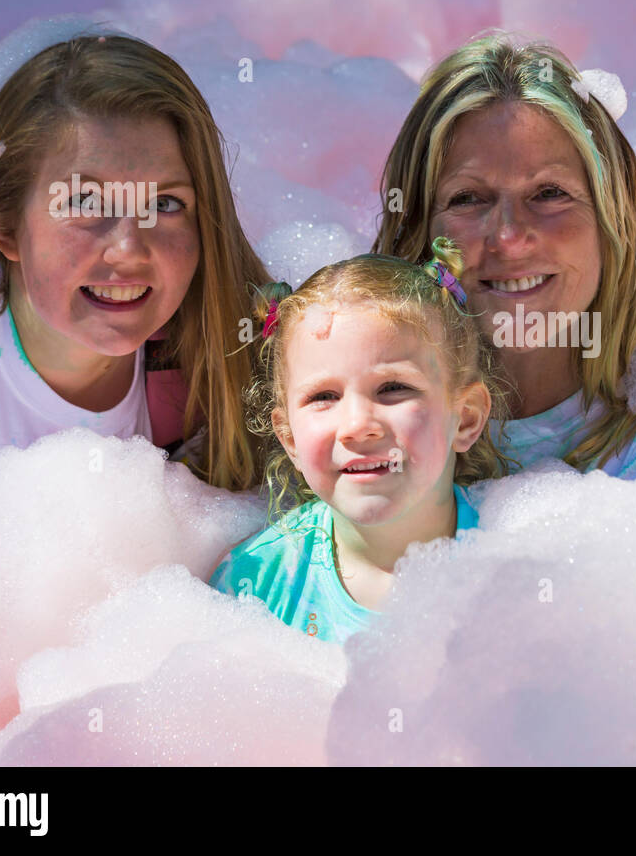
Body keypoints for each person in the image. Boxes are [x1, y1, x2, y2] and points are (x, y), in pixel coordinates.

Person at [0, 34, 271, 568]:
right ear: (4, 224)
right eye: (84, 201)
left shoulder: (213, 380)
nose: (128, 250)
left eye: (164, 203)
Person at [373, 34, 636, 481]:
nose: (509, 236)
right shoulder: (352, 445)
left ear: (612, 223)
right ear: (418, 231)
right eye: (468, 199)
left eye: (549, 193)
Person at [210, 240, 503, 645]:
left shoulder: (515, 561)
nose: (356, 425)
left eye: (393, 388)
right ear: (290, 437)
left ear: (466, 417)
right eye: (323, 397)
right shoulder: (256, 584)